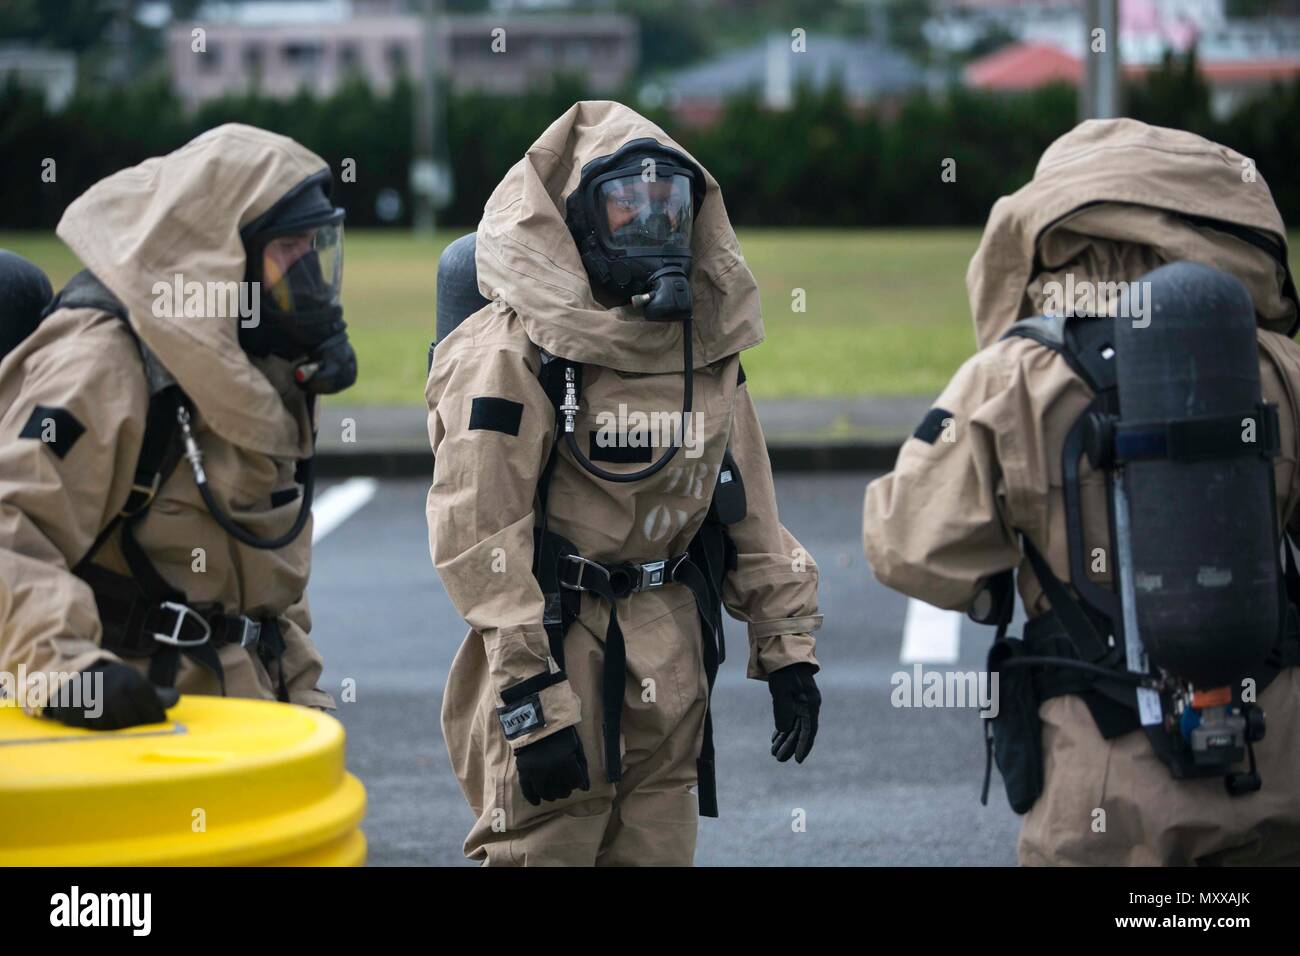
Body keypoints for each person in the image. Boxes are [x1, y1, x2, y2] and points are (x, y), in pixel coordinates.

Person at [863, 118, 1300, 865]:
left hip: (1102, 789)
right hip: (1278, 771)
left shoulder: (1015, 373)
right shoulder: (1282, 366)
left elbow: (911, 547)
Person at [426, 101, 824, 866]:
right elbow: (481, 537)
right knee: (542, 848)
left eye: (666, 207)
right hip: (553, 648)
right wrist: (527, 705)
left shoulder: (701, 353)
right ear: (579, 223)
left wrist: (788, 650)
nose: (653, 227)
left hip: (670, 655)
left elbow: (746, 507)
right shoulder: (512, 352)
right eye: (628, 206)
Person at [0, 124, 352, 729]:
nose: (309, 277)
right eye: (287, 250)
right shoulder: (104, 363)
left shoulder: (260, 371)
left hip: (248, 726)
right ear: (221, 258)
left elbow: (270, 589)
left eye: (314, 249)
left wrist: (307, 707)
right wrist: (64, 674)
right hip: (135, 735)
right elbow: (10, 523)